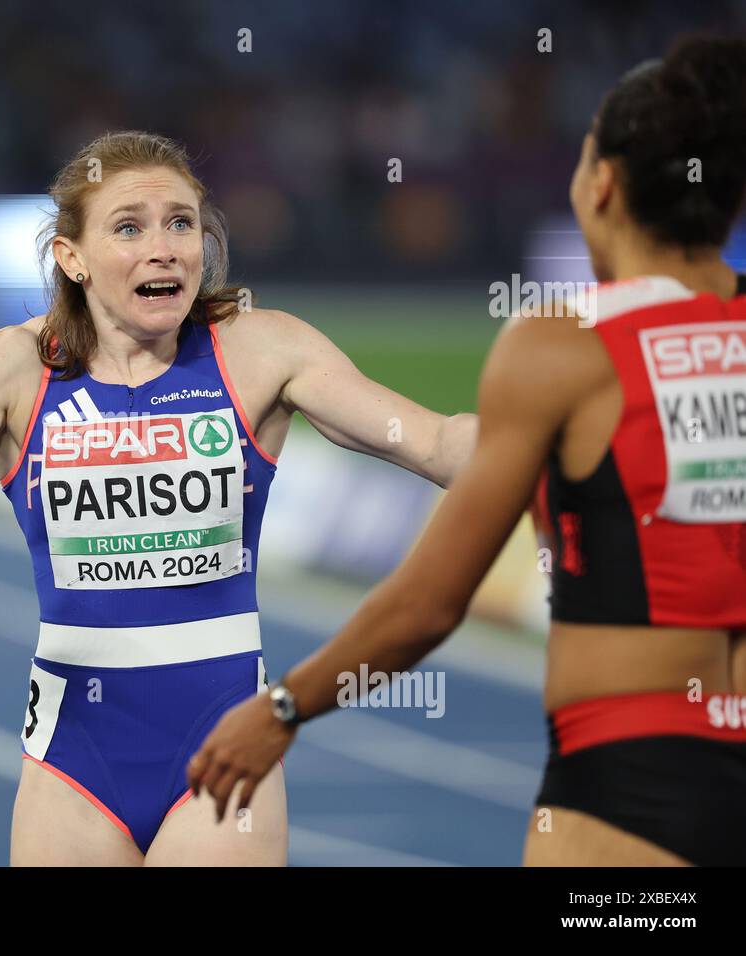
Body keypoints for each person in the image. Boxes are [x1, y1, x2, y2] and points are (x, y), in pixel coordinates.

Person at [188, 34, 746, 867]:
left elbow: (428, 602)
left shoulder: (564, 349)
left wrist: (281, 709)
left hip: (630, 778)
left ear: (601, 184)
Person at [0, 130, 477, 865]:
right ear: (71, 259)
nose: (163, 248)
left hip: (223, 745)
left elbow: (430, 441)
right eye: (129, 227)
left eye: (181, 223)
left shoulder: (261, 352)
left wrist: (560, 444)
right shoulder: (11, 367)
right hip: (72, 759)